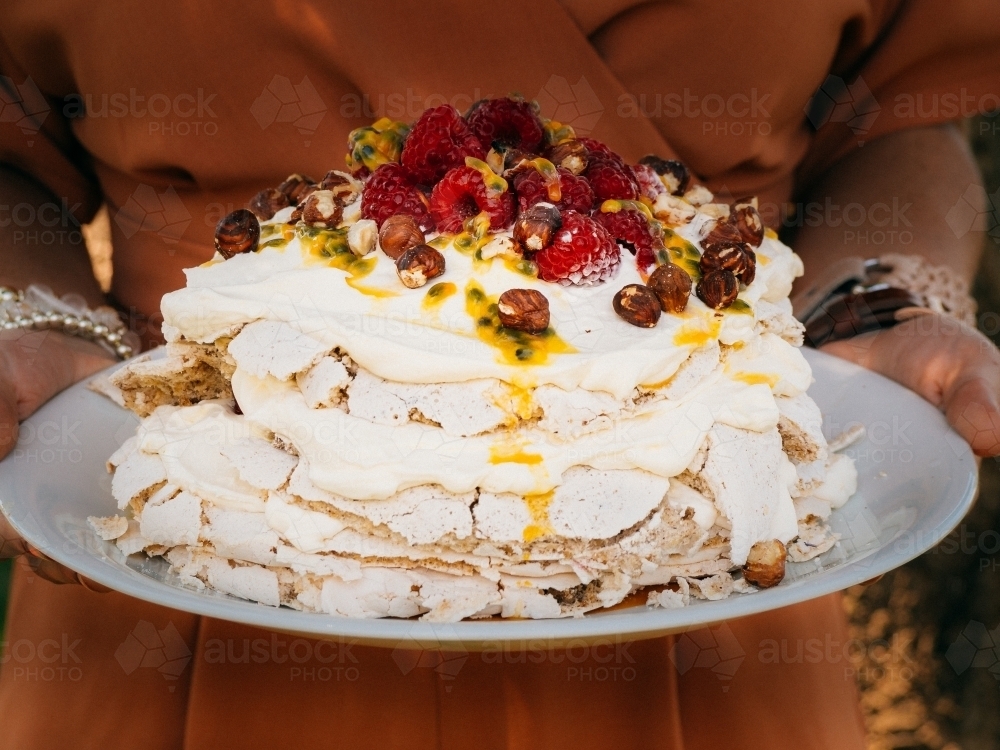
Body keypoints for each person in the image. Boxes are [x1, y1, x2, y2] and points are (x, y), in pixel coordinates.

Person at [0, 1, 998, 747]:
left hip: (706, 561)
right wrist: (35, 318)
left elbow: (899, 117)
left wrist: (871, 300)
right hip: (204, 537)